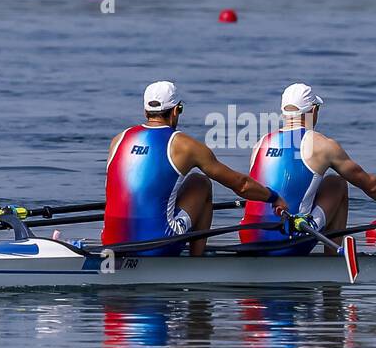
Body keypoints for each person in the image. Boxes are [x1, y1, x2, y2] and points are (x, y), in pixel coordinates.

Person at [104, 82, 290, 256]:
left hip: (111, 241)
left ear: (146, 111)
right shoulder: (186, 146)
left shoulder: (119, 139)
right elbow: (241, 185)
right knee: (200, 182)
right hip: (158, 244)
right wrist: (274, 197)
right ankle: (196, 262)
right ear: (177, 110)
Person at [240, 83, 376, 255]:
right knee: (337, 183)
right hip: (288, 241)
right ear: (313, 110)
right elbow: (372, 185)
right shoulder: (322, 145)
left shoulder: (261, 143)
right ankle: (333, 263)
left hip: (248, 237)